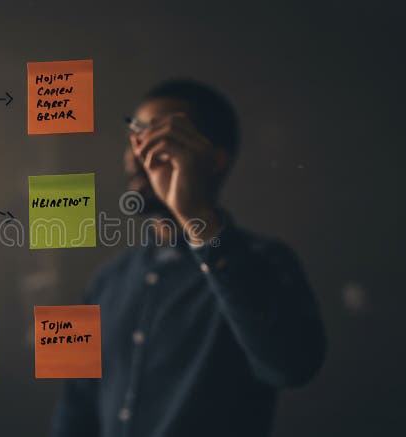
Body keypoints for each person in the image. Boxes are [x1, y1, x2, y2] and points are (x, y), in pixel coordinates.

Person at [51, 80, 326, 437]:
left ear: (214, 160)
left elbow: (291, 367)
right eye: (134, 138)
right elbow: (76, 408)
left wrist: (197, 214)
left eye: (160, 139)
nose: (136, 155)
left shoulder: (265, 264)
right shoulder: (107, 281)